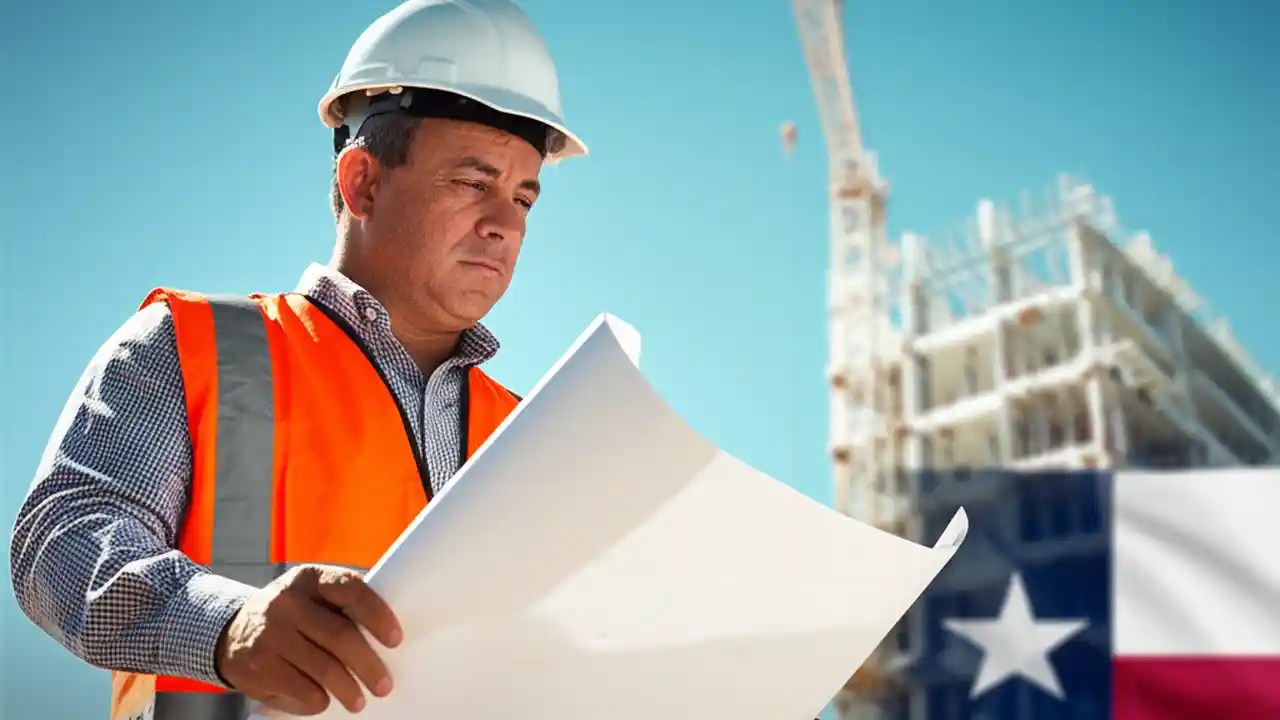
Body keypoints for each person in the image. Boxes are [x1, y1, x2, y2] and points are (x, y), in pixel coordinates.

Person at [8, 0, 588, 718]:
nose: (503, 224)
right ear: (363, 183)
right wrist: (226, 624)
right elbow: (62, 544)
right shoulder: (194, 347)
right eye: (473, 183)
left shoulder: (535, 437)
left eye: (523, 198)